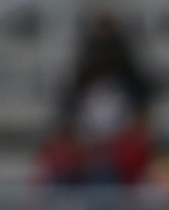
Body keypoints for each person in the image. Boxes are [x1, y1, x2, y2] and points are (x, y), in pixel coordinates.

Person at [37, 10, 155, 188]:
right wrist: (82, 151)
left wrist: (110, 148)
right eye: (98, 44)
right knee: (59, 178)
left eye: (110, 44)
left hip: (119, 159)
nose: (104, 53)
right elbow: (64, 131)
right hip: (83, 157)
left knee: (102, 176)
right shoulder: (76, 88)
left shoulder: (135, 87)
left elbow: (141, 128)